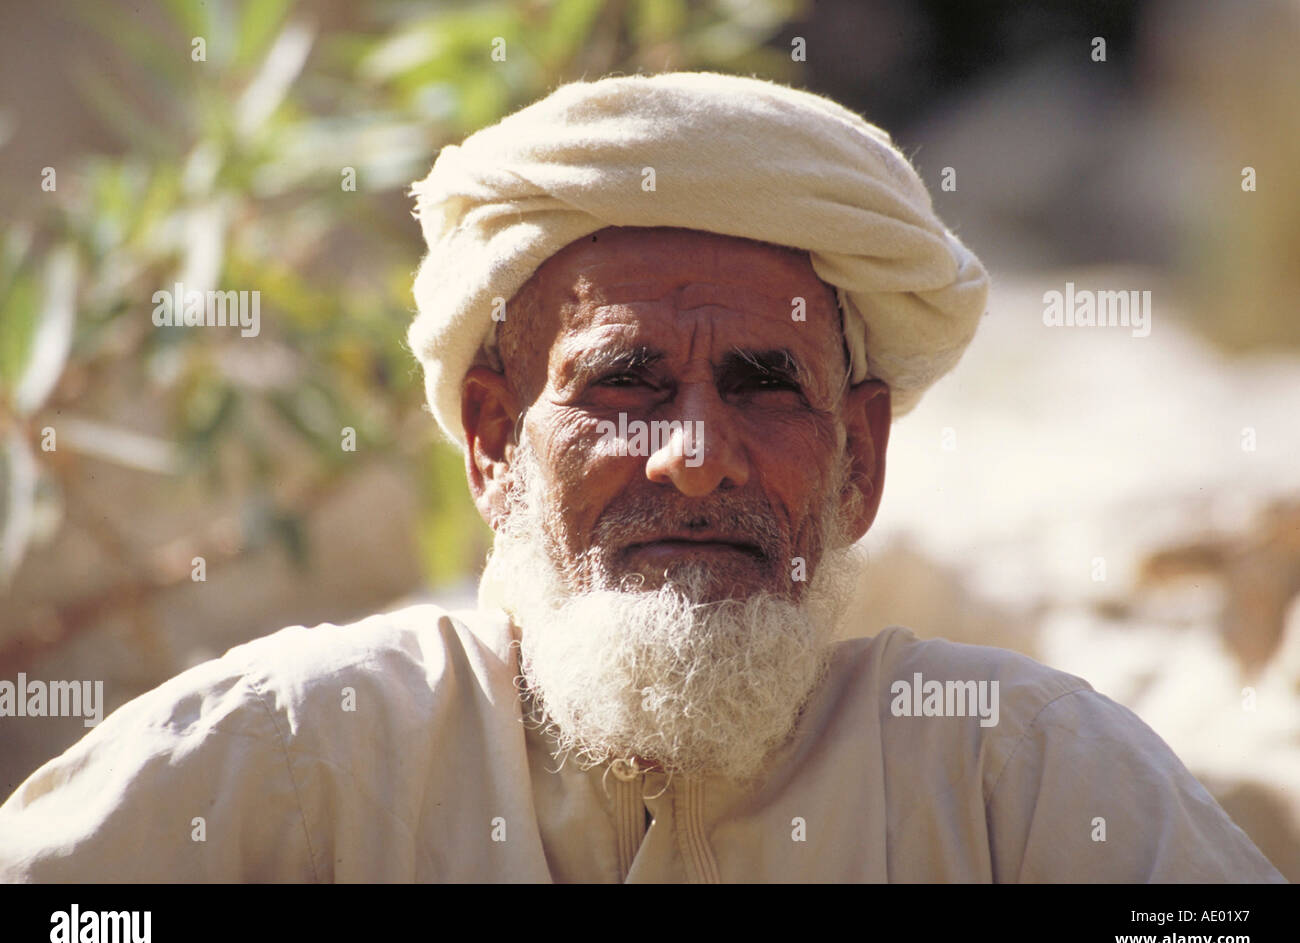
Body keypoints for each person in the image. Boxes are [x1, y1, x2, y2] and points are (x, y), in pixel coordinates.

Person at [0, 72, 1283, 883]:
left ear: (861, 462)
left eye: (767, 387)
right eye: (623, 383)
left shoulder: (1021, 778)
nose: (696, 450)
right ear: (494, 441)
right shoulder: (303, 749)